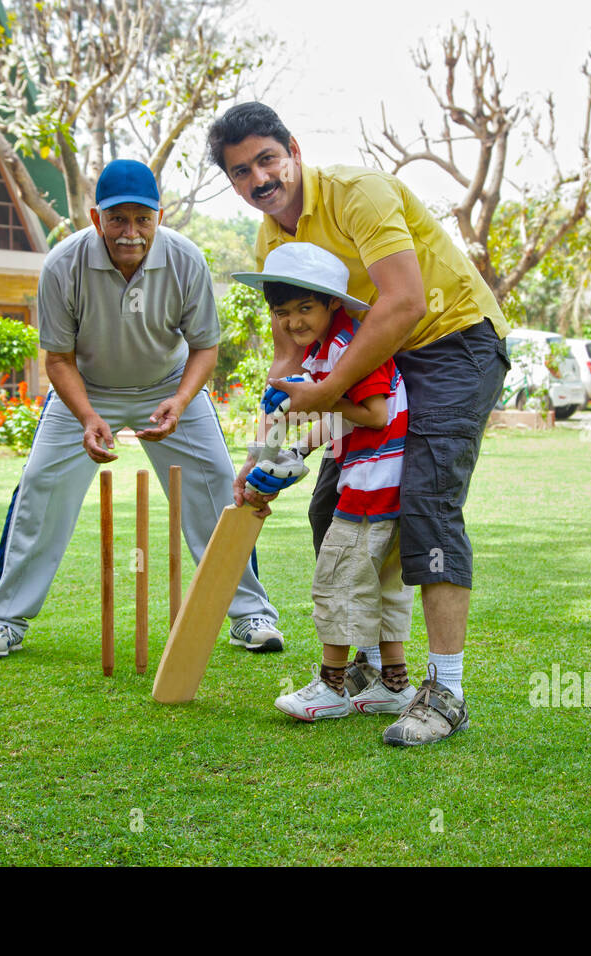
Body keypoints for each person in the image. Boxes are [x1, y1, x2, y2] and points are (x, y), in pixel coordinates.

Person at [207, 103, 510, 745]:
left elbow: (404, 301)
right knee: (331, 508)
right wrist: (267, 454)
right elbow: (289, 356)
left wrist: (329, 390)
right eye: (241, 171)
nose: (259, 178)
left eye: (267, 158)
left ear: (292, 147)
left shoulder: (357, 194)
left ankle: (446, 691)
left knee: (426, 504)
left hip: (454, 343)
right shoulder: (272, 238)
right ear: (232, 183)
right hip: (376, 361)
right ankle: (375, 677)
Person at [0, 158, 283, 660]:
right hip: (87, 390)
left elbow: (204, 347)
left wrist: (181, 401)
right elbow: (57, 359)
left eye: (143, 218)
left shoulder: (185, 259)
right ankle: (3, 620)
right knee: (40, 487)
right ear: (96, 219)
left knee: (220, 484)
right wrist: (88, 415)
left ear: (159, 216)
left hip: (169, 385)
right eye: (118, 219)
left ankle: (250, 615)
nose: (131, 232)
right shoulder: (62, 264)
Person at [231, 243, 420, 730]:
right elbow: (334, 413)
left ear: (332, 302)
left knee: (335, 579)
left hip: (371, 485)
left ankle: (332, 687)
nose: (293, 321)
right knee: (382, 584)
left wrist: (315, 406)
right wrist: (293, 450)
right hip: (387, 483)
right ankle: (392, 686)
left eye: (304, 308)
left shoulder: (347, 348)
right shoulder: (327, 348)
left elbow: (373, 414)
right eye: (282, 311)